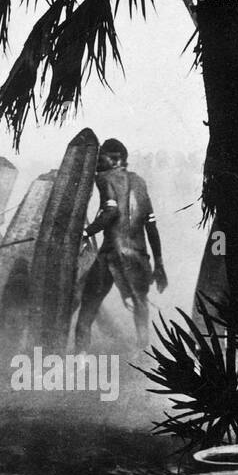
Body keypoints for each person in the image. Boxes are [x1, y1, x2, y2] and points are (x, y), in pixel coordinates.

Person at [74, 139, 167, 352]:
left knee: (87, 308)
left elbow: (111, 211)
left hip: (111, 254)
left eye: (101, 158)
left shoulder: (104, 178)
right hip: (138, 256)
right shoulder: (140, 182)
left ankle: (80, 359)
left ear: (116, 159)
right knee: (141, 308)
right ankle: (143, 353)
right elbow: (151, 224)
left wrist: (86, 232)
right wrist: (159, 262)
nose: (96, 163)